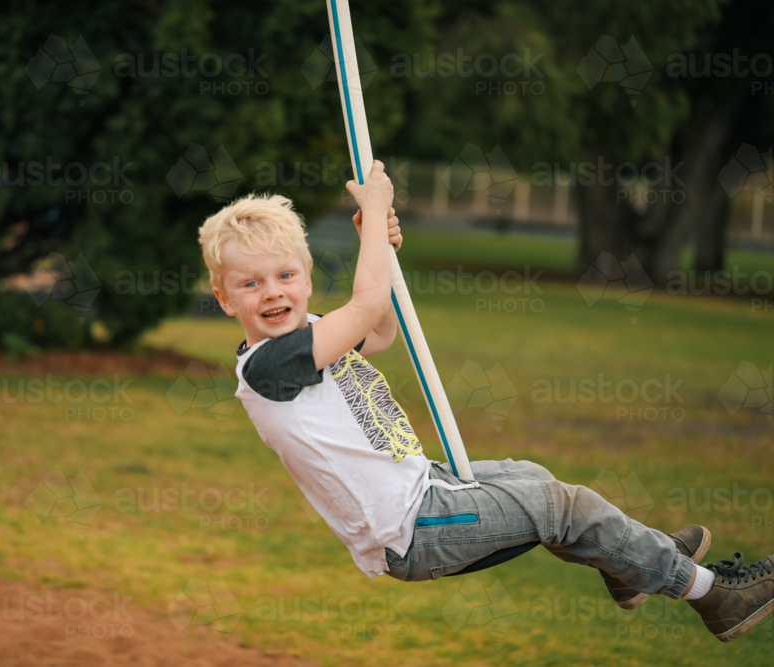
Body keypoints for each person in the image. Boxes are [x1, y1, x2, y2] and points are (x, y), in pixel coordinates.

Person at [196, 160, 773, 643]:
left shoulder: (312, 332)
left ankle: (631, 566)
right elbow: (365, 309)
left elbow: (380, 330)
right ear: (225, 300)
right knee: (561, 506)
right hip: (413, 530)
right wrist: (373, 219)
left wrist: (384, 253)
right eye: (250, 285)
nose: (272, 292)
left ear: (305, 275)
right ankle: (714, 596)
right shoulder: (269, 365)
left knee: (534, 475)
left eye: (284, 275)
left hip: (427, 484)